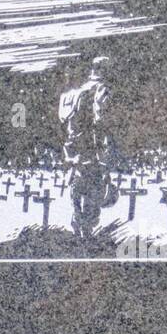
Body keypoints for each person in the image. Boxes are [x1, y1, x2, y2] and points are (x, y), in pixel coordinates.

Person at [58, 56, 116, 237]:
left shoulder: (72, 94)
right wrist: (106, 156)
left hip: (73, 150)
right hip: (93, 150)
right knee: (94, 191)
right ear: (104, 70)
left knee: (77, 186)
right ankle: (87, 231)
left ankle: (78, 221)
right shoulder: (102, 90)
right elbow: (101, 122)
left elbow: (64, 120)